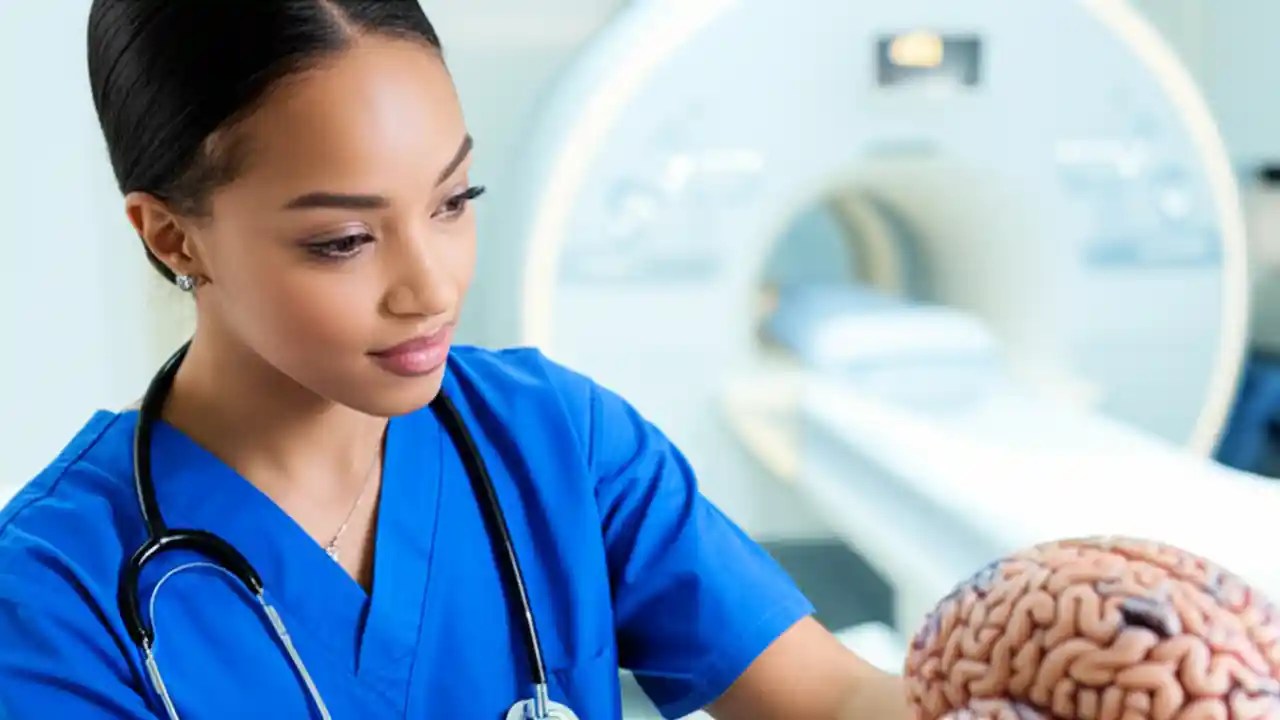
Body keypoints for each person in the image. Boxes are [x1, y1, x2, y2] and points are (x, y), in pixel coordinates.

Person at [0, 2, 911, 718]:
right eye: (345, 239)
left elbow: (831, 698)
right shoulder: (54, 594)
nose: (429, 287)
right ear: (172, 236)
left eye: (452, 199)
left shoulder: (560, 443)